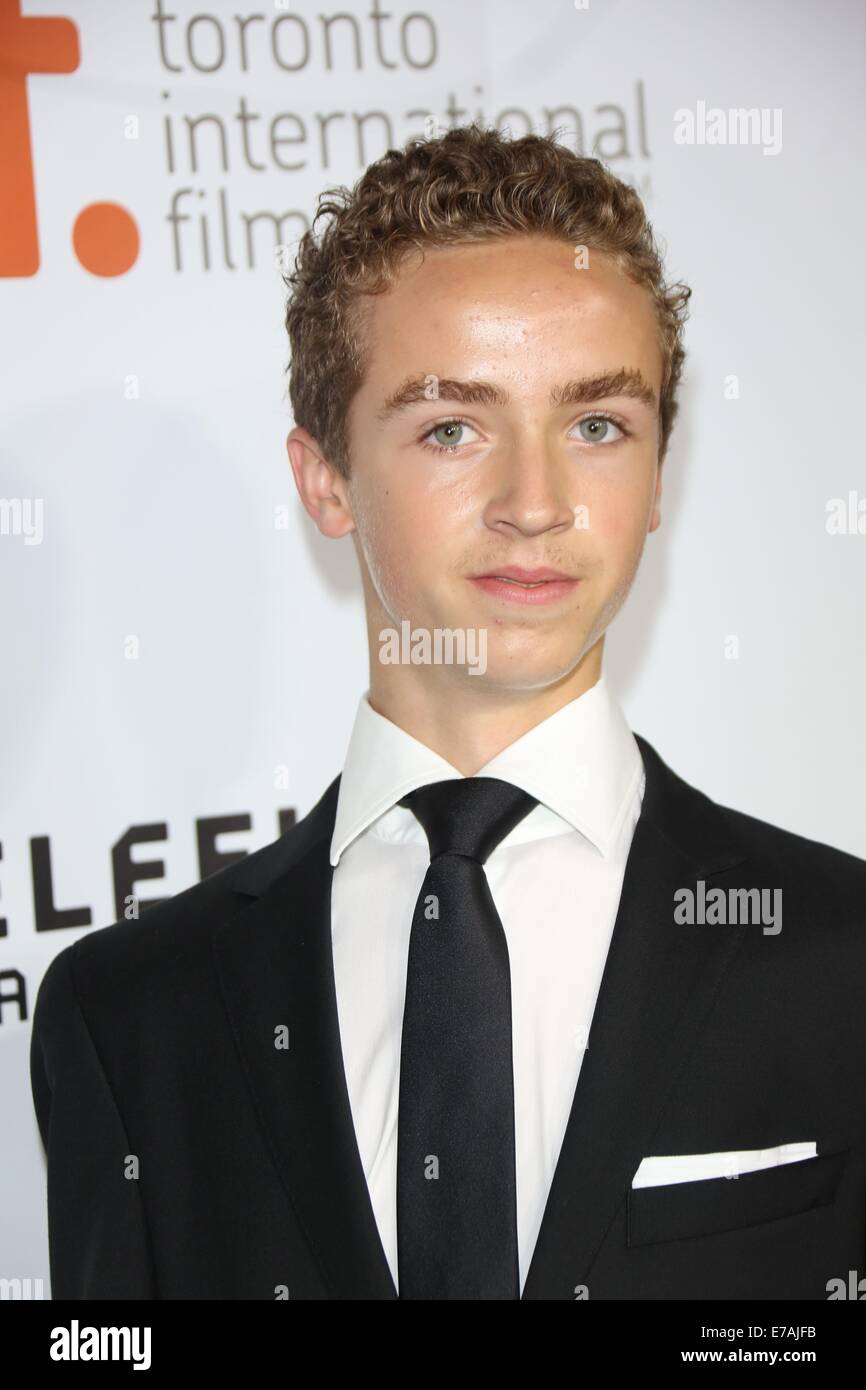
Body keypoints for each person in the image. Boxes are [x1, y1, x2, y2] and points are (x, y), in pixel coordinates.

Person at [30, 123, 866, 1300]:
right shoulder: (131, 1019)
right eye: (451, 428)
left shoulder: (841, 957)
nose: (536, 502)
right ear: (324, 478)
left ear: (658, 471)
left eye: (595, 425)